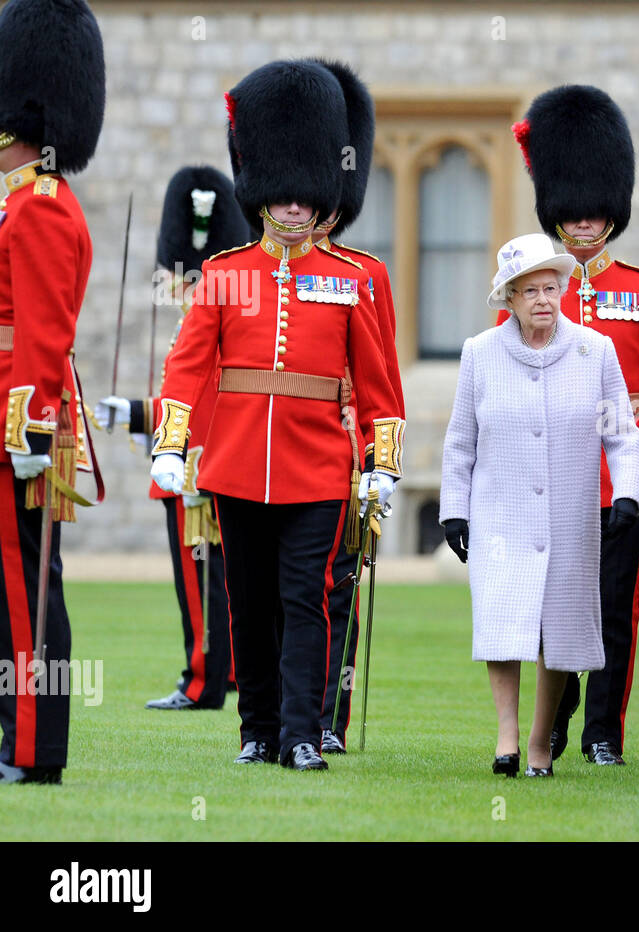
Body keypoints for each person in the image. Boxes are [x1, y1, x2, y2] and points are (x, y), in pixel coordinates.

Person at [149, 59, 405, 771]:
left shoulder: (351, 280)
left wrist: (382, 463)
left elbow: (379, 382)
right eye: (281, 193)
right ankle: (256, 730)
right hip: (234, 463)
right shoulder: (227, 273)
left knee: (307, 601)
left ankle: (300, 734)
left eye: (304, 194)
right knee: (249, 601)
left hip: (319, 468)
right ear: (260, 189)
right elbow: (189, 366)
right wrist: (172, 443)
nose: (293, 206)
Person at [509, 85, 639, 766]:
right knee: (554, 610)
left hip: (623, 476)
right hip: (551, 472)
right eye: (573, 215)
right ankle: (553, 724)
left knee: (616, 610)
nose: (584, 226)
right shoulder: (534, 289)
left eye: (595, 215)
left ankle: (604, 734)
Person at [441, 232, 639, 777]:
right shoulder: (479, 355)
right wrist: (453, 510)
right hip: (499, 516)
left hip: (570, 517)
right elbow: (461, 441)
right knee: (504, 624)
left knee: (560, 632)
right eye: (530, 291)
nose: (543, 301)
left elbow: (622, 435)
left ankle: (538, 741)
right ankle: (506, 736)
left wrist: (628, 493)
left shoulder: (594, 350)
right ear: (510, 299)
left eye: (551, 288)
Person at [96, 165, 253, 712]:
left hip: (196, 468)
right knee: (219, 581)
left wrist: (175, 445)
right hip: (192, 460)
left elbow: (208, 401)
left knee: (202, 584)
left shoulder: (212, 323)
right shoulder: (197, 320)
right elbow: (179, 398)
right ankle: (225, 673)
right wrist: (139, 416)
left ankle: (203, 681)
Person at [0, 0, 105, 786]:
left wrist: (29, 432)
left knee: (23, 596)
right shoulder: (25, 201)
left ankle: (35, 749)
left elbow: (40, 336)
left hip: (19, 430)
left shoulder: (37, 208)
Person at [306, 59, 405, 755]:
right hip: (285, 447)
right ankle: (284, 714)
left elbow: (383, 379)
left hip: (341, 449)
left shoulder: (365, 275)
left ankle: (326, 718)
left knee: (338, 590)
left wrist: (382, 462)